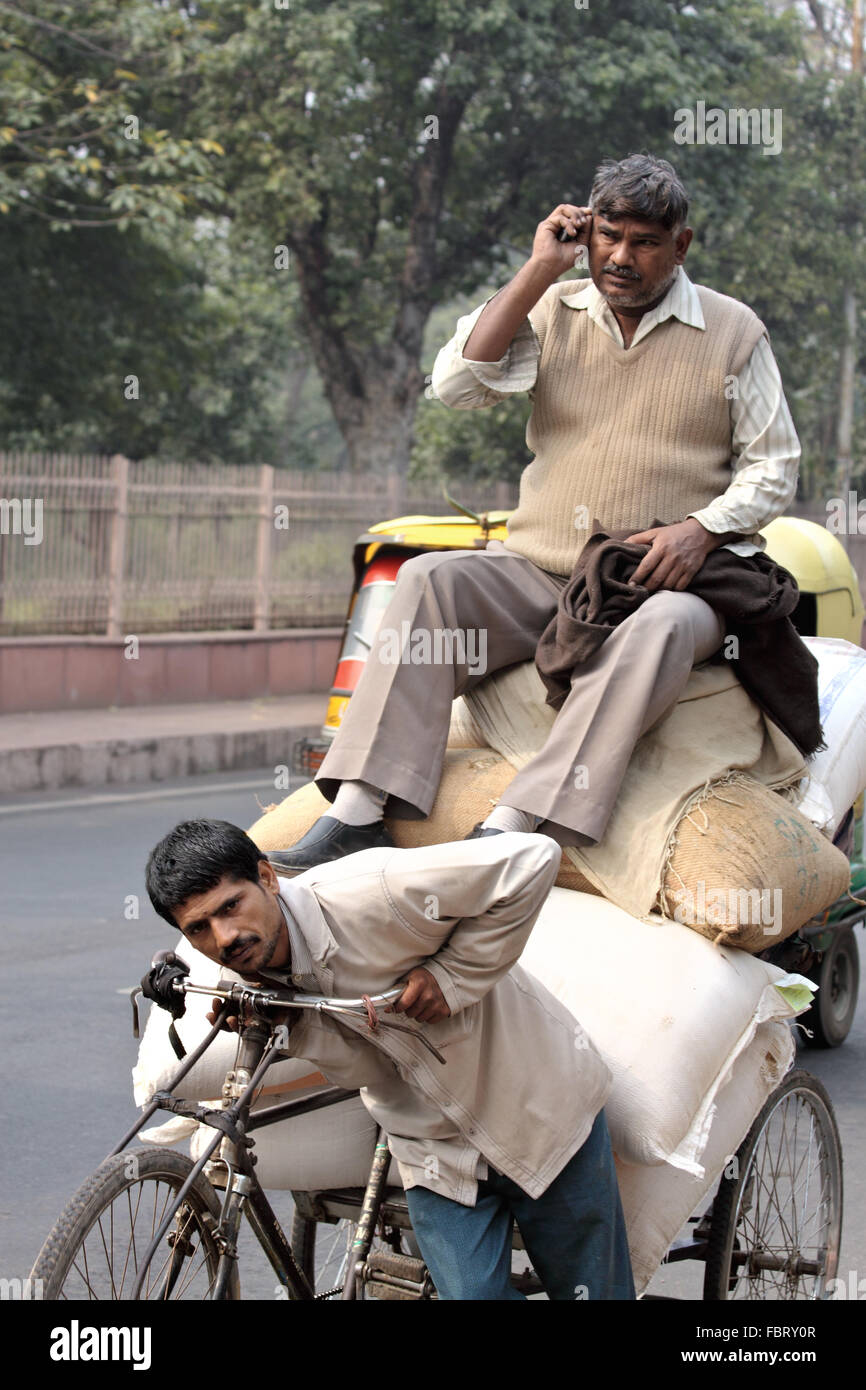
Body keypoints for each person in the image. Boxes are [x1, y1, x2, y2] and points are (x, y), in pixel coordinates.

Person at [268, 151, 800, 874]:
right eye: (608, 236)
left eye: (644, 243)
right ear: (585, 234)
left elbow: (776, 467)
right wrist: (538, 270)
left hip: (674, 582)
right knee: (429, 582)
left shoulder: (734, 333)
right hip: (541, 571)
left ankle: (524, 818)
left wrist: (700, 529)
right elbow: (455, 386)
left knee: (665, 626)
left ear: (681, 246)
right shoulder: (552, 307)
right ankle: (362, 807)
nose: (621, 257)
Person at [144, 817, 635, 1301]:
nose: (225, 936)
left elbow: (533, 858)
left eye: (232, 905)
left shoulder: (372, 891)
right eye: (200, 928)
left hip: (540, 1113)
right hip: (433, 1150)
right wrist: (294, 1029)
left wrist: (453, 975)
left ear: (268, 878)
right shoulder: (254, 979)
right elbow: (368, 1071)